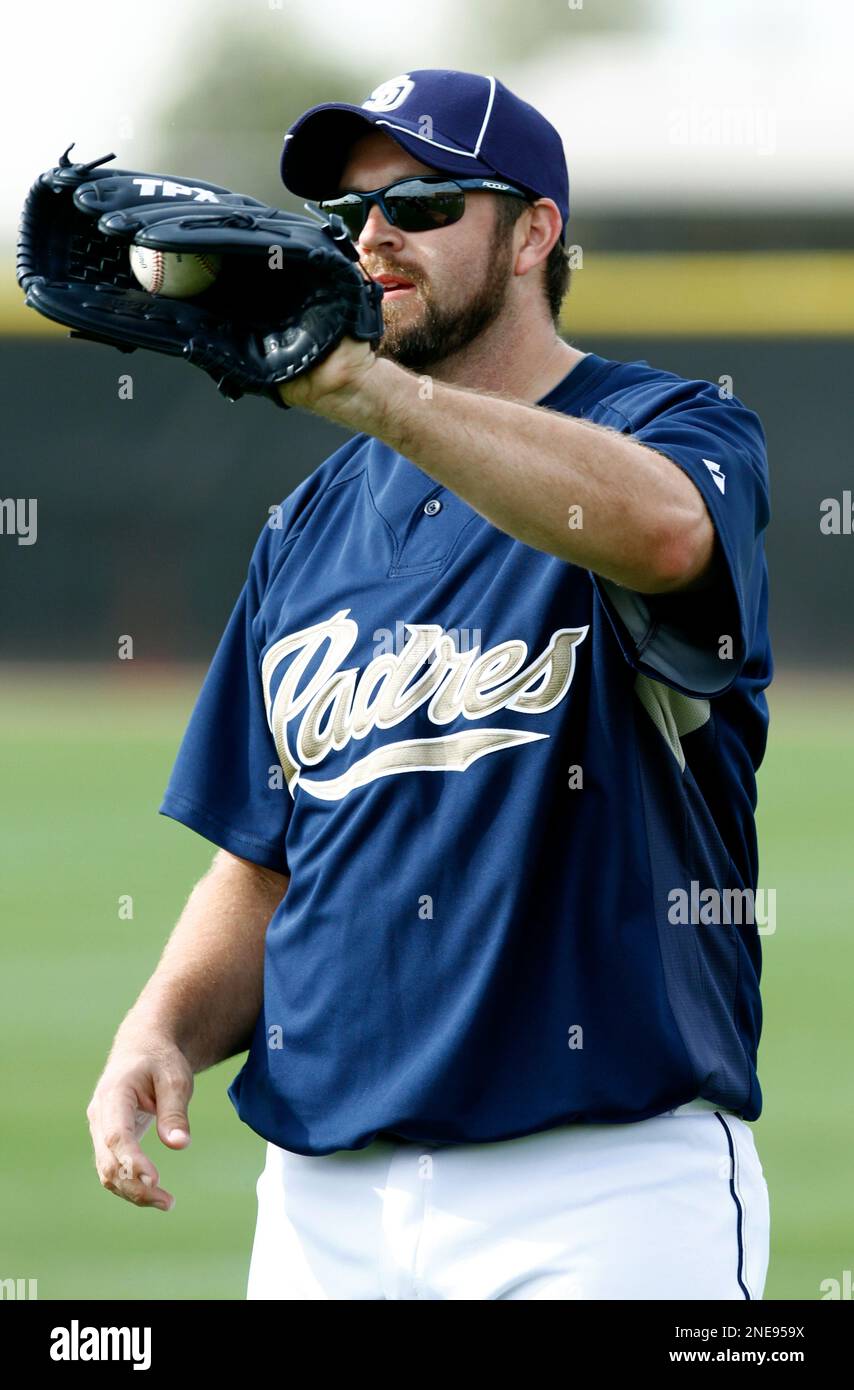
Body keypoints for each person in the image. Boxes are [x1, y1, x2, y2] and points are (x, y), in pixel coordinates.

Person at [87, 69, 772, 1300]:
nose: (374, 237)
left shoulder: (671, 429)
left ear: (533, 232)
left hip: (602, 1195)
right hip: (319, 1203)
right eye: (357, 211)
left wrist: (372, 393)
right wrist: (163, 1028)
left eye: (422, 198)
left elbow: (664, 535)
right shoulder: (305, 526)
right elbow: (264, 855)